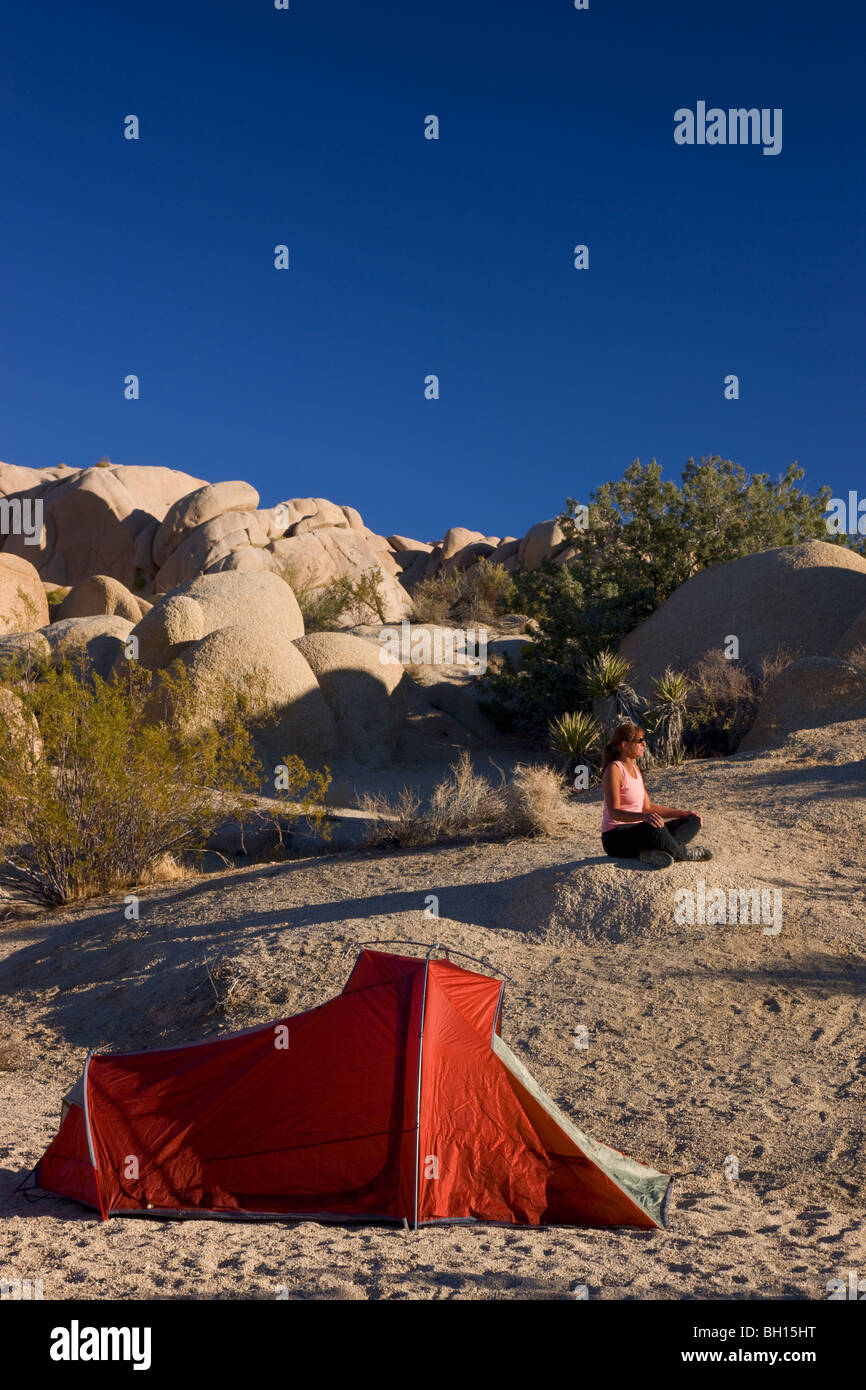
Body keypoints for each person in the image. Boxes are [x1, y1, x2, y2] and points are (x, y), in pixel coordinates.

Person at [600, 721, 712, 869]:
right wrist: (643, 817)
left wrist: (682, 813)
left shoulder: (636, 769)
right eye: (640, 741)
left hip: (639, 831)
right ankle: (684, 854)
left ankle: (651, 853)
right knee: (652, 826)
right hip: (616, 838)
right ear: (624, 745)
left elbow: (647, 807)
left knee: (693, 820)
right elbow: (614, 812)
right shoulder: (614, 770)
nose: (644, 744)